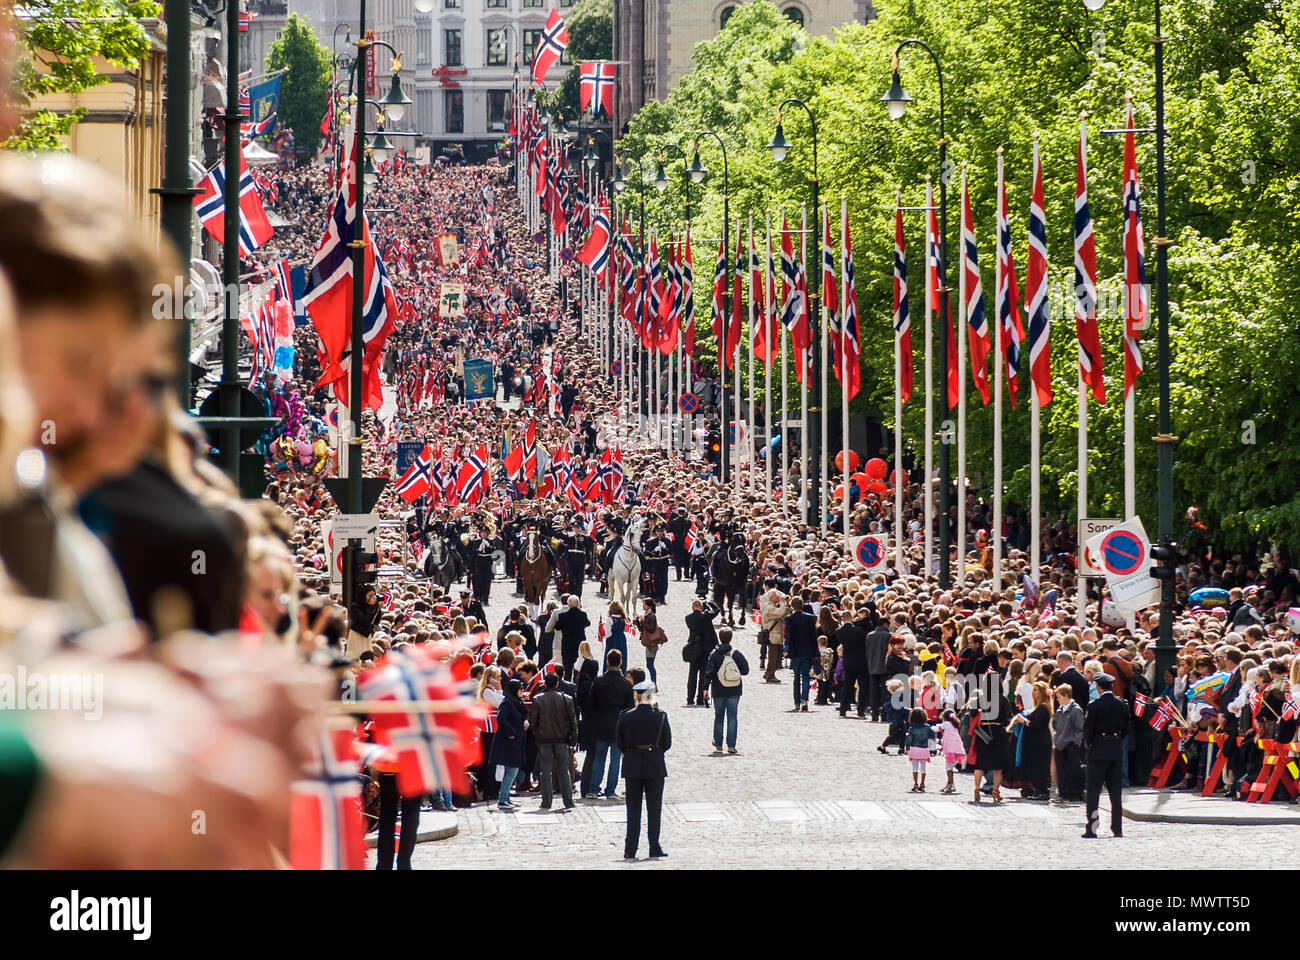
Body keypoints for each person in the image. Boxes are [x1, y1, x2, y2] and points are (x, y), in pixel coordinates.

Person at [616, 679, 671, 860]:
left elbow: (620, 743)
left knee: (633, 810)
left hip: (632, 763)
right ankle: (654, 846)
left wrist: (632, 753)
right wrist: (654, 752)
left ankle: (630, 849)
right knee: (654, 809)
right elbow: (666, 743)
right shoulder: (660, 716)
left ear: (636, 696)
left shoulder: (625, 716)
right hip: (654, 764)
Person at [1083, 671, 1129, 838]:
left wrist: (1090, 744)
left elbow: (1088, 730)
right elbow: (1126, 729)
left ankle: (1092, 827)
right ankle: (1117, 828)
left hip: (1098, 750)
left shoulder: (1094, 706)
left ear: (1099, 687)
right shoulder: (1122, 704)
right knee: (1115, 791)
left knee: (1093, 791)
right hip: (1115, 749)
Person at [585, 648, 634, 799]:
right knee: (615, 761)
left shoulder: (598, 681)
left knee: (599, 758)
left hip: (601, 725)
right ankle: (610, 790)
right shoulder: (626, 684)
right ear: (620, 662)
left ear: (607, 661)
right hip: (618, 726)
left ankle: (594, 789)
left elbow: (590, 703)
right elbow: (630, 708)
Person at [529, 669, 578, 810]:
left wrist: (537, 733)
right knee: (564, 770)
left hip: (544, 739)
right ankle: (568, 801)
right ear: (557, 683)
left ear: (545, 683)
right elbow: (573, 720)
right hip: (561, 739)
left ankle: (546, 802)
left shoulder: (538, 699)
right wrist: (573, 737)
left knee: (545, 771)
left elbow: (533, 721)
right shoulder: (566, 699)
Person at [703, 626, 749, 754]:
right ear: (730, 638)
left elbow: (708, 672)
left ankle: (718, 744)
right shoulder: (736, 653)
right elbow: (745, 670)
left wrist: (705, 688)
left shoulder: (714, 654)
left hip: (718, 689)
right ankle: (731, 745)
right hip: (734, 689)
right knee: (732, 716)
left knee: (719, 716)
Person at [489, 678, 527, 810]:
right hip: (508, 742)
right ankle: (503, 799)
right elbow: (501, 718)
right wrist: (511, 732)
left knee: (512, 771)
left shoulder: (515, 702)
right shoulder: (507, 703)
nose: (522, 691)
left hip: (514, 742)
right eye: (520, 689)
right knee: (512, 770)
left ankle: (505, 798)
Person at [1010, 680, 1053, 800]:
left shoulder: (1043, 708)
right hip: (1034, 741)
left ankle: (1042, 791)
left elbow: (1036, 724)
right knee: (1033, 766)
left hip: (1039, 742)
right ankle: (1038, 790)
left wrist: (1023, 720)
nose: (1033, 693)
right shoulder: (1038, 707)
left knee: (1038, 767)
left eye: (1035, 690)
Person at [783, 595, 819, 712]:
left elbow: (788, 636)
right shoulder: (810, 618)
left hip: (795, 652)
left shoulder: (789, 618)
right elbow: (813, 637)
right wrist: (815, 651)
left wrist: (786, 649)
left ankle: (797, 702)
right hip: (807, 651)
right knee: (806, 677)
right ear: (802, 605)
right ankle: (804, 700)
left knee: (796, 678)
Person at [835, 605, 871, 718]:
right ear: (851, 617)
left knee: (847, 685)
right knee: (863, 686)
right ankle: (860, 710)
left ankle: (843, 709)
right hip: (861, 661)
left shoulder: (839, 631)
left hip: (848, 660)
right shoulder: (859, 630)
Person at [1051, 683, 1085, 803]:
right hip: (1060, 744)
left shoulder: (1076, 710)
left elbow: (1080, 728)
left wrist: (1075, 741)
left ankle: (1074, 793)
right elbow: (1055, 724)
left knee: (1073, 769)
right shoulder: (1059, 710)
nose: (1058, 699)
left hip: (1071, 745)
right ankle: (1063, 793)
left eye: (1059, 697)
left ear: (1066, 696)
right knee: (1061, 770)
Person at [684, 598, 720, 707]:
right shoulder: (706, 616)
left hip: (694, 649)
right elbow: (717, 610)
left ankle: (690, 698)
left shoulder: (688, 618)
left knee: (692, 675)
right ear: (701, 607)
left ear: (692, 608)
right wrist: (708, 603)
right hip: (706, 650)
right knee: (703, 675)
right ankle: (700, 698)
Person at [554, 594, 590, 676]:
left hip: (567, 644)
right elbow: (588, 623)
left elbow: (557, 627)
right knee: (578, 668)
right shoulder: (582, 614)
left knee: (567, 668)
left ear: (568, 604)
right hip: (579, 644)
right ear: (578, 604)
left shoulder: (562, 616)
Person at [759, 588, 790, 683]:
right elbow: (780, 613)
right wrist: (783, 603)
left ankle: (771, 674)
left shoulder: (774, 606)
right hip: (772, 635)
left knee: (776, 657)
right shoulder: (769, 607)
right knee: (773, 656)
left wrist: (786, 604)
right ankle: (769, 674)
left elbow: (785, 613)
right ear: (771, 597)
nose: (779, 597)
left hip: (777, 635)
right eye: (777, 596)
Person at [636, 598, 668, 685]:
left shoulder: (652, 616)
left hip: (652, 644)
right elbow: (643, 629)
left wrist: (642, 621)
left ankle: (654, 684)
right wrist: (637, 622)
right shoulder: (647, 615)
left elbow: (651, 629)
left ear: (649, 606)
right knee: (649, 665)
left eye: (644, 604)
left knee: (650, 665)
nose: (643, 606)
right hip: (649, 643)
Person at [905, 708, 936, 793]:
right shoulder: (927, 727)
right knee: (923, 768)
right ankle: (922, 783)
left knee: (914, 767)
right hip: (924, 749)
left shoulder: (912, 728)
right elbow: (933, 735)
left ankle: (915, 783)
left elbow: (909, 739)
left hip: (914, 749)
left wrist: (907, 748)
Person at [347, 586, 382, 659]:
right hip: (357, 634)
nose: (373, 597)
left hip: (367, 635)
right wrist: (370, 606)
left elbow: (376, 621)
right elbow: (364, 621)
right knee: (356, 656)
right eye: (370, 595)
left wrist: (378, 609)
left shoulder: (373, 607)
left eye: (374, 595)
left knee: (367, 656)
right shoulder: (355, 607)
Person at [937, 710, 966, 794]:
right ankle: (949, 784)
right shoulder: (953, 725)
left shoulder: (947, 724)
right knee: (949, 767)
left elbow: (938, 728)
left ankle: (951, 785)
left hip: (951, 749)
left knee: (948, 767)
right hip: (956, 749)